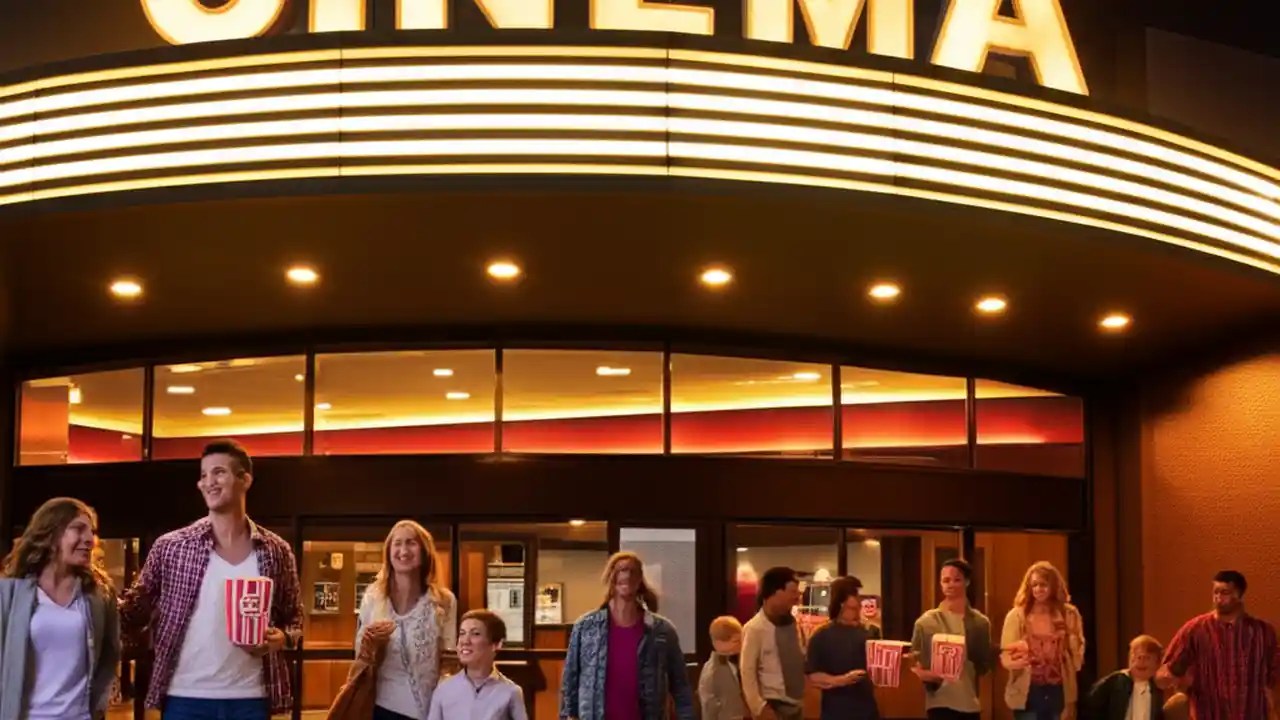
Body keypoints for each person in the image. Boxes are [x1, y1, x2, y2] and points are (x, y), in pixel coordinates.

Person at [120, 439, 303, 720]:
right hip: (185, 696)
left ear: (245, 480)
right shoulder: (171, 547)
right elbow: (134, 610)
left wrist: (282, 638)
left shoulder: (275, 550)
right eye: (204, 475)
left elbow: (294, 618)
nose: (208, 482)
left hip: (251, 698)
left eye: (219, 472)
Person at [0, 497, 121, 720]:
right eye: (78, 529)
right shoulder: (11, 593)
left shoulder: (99, 594)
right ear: (51, 535)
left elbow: (109, 655)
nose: (89, 540)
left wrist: (98, 707)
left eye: (91, 532)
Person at [559, 551, 694, 720]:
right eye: (621, 570)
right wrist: (568, 715)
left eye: (633, 571)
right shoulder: (586, 628)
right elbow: (569, 683)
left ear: (640, 580)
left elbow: (680, 687)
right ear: (611, 578)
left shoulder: (661, 631)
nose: (627, 575)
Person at [356, 520, 458, 720]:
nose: (403, 550)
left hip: (432, 709)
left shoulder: (444, 601)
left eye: (411, 542)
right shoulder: (373, 596)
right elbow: (359, 651)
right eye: (397, 543)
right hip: (382, 706)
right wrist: (371, 642)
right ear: (388, 552)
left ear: (424, 551)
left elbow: (450, 658)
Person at [1157, 570, 1280, 720]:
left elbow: (1275, 675)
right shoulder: (1194, 630)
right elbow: (1165, 675)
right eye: (1215, 592)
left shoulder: (1263, 632)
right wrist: (1173, 678)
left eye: (1225, 592)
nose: (1218, 598)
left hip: (1252, 713)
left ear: (1240, 595)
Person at [910, 558, 995, 720]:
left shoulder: (980, 623)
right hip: (938, 701)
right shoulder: (926, 622)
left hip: (969, 700)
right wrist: (928, 675)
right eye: (945, 580)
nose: (950, 585)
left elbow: (984, 666)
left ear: (967, 582)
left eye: (957, 580)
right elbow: (913, 663)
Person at [1000, 561, 1086, 720]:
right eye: (1034, 585)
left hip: (1059, 690)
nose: (1038, 589)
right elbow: (1006, 655)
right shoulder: (1017, 616)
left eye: (1043, 584)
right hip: (1027, 691)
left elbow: (1078, 652)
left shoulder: (1069, 614)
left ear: (1053, 586)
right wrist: (1018, 660)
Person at [427, 609, 526, 720]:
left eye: (475, 634)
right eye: (462, 633)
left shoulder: (510, 692)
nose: (465, 641)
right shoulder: (444, 689)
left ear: (496, 644)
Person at [805, 575, 881, 720]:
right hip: (836, 711)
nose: (858, 606)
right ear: (840, 604)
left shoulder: (871, 633)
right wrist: (842, 680)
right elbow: (813, 676)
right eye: (852, 607)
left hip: (868, 710)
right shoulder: (821, 636)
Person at [741, 566, 806, 720]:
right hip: (772, 708)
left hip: (797, 706)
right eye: (792, 592)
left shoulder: (795, 624)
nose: (797, 597)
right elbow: (747, 671)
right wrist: (759, 708)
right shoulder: (755, 628)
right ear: (775, 593)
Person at [1083, 635, 1164, 720]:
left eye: (1147, 658)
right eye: (1137, 656)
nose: (1141, 661)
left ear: (1157, 664)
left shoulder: (1157, 688)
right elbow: (1092, 704)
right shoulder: (1116, 681)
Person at [699, 615, 749, 720]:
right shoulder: (711, 672)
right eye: (736, 641)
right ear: (718, 643)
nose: (741, 644)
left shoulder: (741, 662)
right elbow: (709, 708)